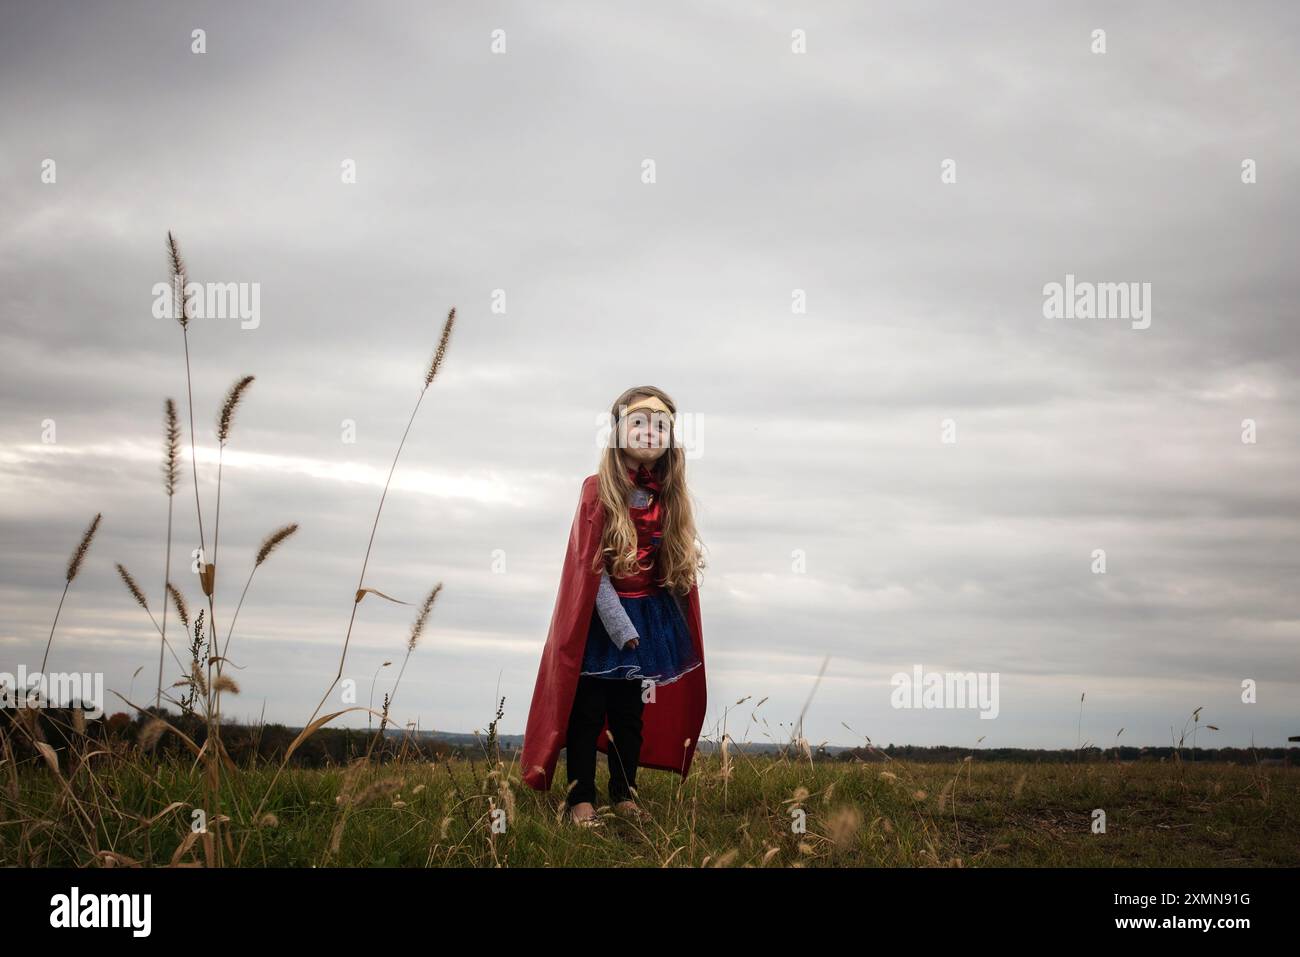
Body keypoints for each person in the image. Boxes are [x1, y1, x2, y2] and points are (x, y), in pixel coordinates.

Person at [520, 386, 708, 826]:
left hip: (648, 617)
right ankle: (579, 798)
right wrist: (620, 625)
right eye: (639, 422)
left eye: (660, 425)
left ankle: (625, 793)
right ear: (619, 431)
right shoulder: (598, 490)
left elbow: (669, 558)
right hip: (600, 619)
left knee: (630, 713)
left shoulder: (667, 496)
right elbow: (590, 569)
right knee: (587, 711)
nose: (649, 433)